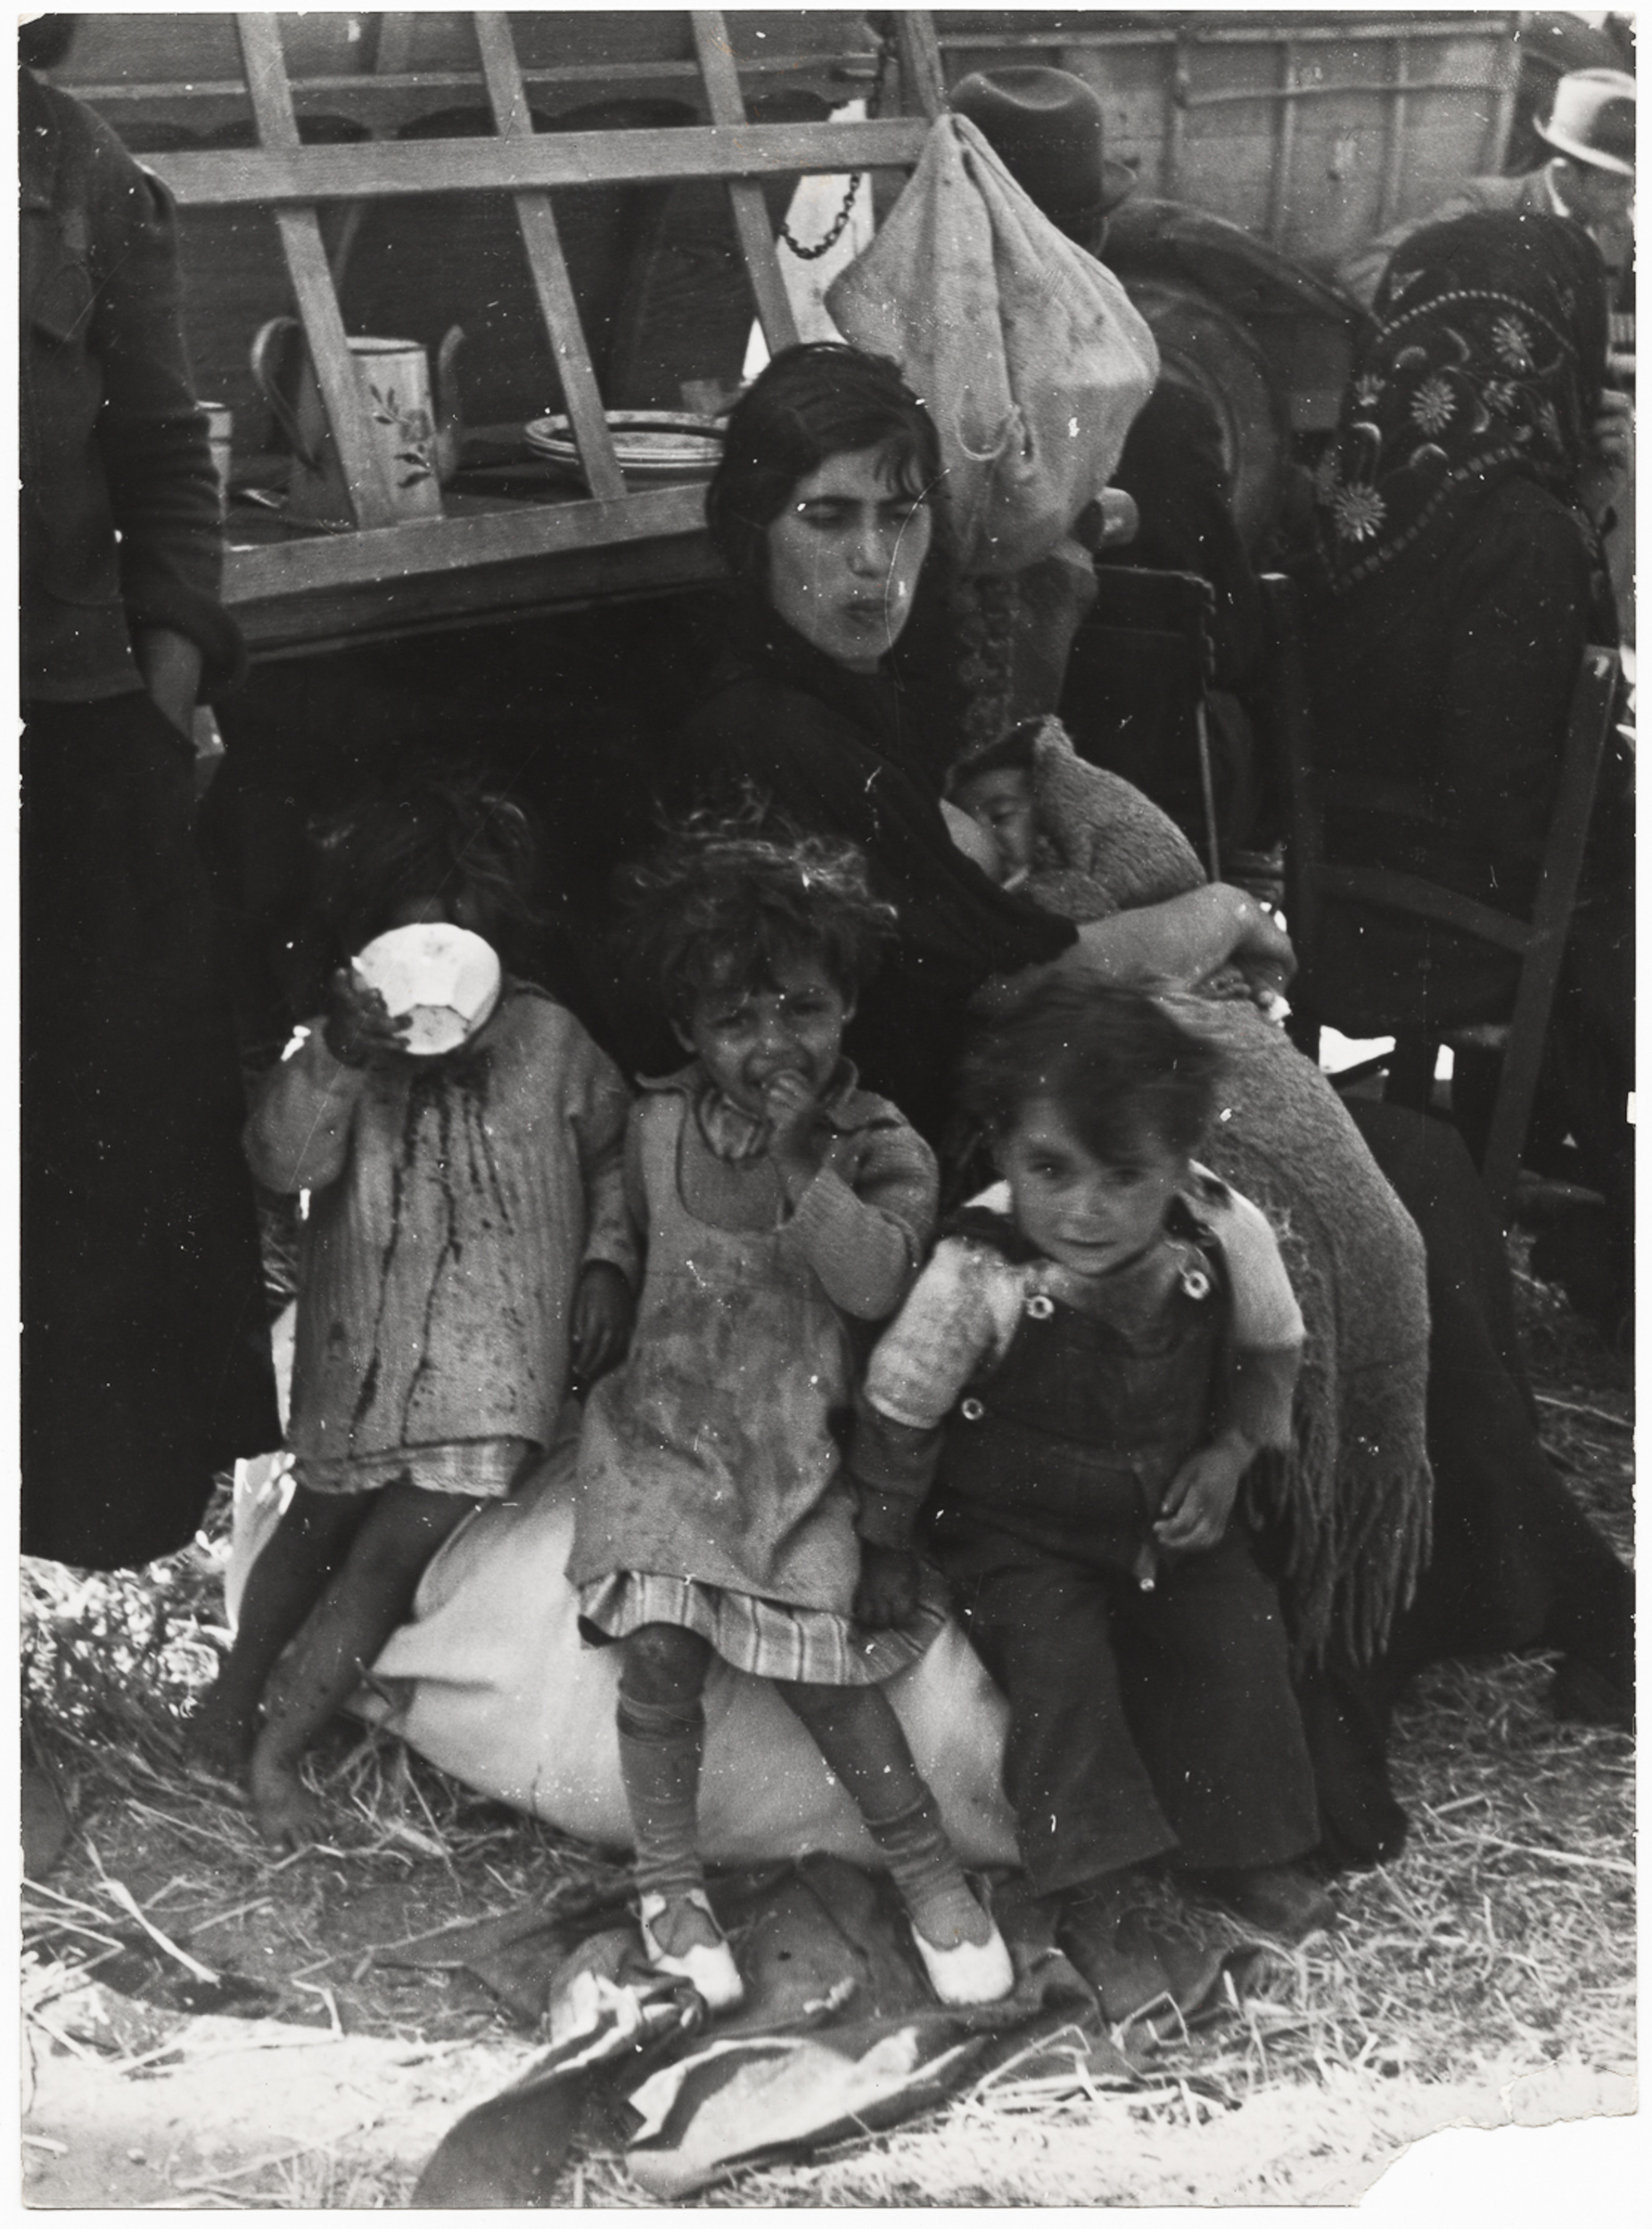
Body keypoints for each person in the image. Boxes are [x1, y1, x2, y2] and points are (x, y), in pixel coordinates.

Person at [568, 818, 1014, 2011]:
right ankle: (669, 1882)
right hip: (661, 1440)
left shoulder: (879, 1149)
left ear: (847, 1009)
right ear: (683, 1034)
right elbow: (619, 1209)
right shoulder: (659, 1123)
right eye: (732, 1021)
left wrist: (800, 1166)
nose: (772, 1043)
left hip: (794, 1454)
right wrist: (608, 1270)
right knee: (658, 1654)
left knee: (830, 1675)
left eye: (800, 1009)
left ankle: (925, 1872)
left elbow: (874, 1282)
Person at [671, 339, 1295, 1147]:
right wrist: (1227, 910)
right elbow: (1022, 980)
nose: (872, 560)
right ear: (754, 531)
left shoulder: (846, 686)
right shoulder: (770, 730)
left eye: (900, 515)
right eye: (825, 517)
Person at [851, 983, 1331, 2019]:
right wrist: (884, 1544)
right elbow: (897, 1411)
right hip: (1011, 1527)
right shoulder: (974, 1267)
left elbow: (1269, 1353)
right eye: (1050, 1171)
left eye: (1127, 1177)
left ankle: (1242, 1845)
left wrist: (1230, 1453)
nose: (1085, 1210)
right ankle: (1095, 1883)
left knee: (1231, 1630)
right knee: (1058, 1663)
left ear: (1182, 1155)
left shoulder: (1220, 1228)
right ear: (999, 1148)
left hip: (1164, 1504)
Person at [188, 777, 637, 1847]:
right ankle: (229, 1696)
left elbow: (614, 1159)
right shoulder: (338, 1046)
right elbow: (277, 1159)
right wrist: (339, 1054)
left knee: (388, 1559)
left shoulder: (554, 1042)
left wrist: (605, 1264)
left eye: (464, 932)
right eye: (407, 935)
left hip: (498, 1363)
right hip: (361, 1348)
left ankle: (278, 1750)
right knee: (314, 1524)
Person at [20, 17, 280, 1577]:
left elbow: (162, 458)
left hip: (70, 744)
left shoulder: (73, 165)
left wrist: (159, 686)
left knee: (85, 1191)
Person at [1299, 210, 1633, 1337]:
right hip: (1446, 929)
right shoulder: (1526, 531)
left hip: (1330, 904)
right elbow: (1507, 804)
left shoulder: (1348, 494)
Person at [948, 66, 1270, 851]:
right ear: (1091, 243)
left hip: (954, 789)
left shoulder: (911, 390)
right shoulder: (1159, 408)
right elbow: (1233, 639)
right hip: (1127, 795)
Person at [1336, 68, 1635, 313]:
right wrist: (1458, 330)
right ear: (1564, 172)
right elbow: (1364, 269)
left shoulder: (1616, 226)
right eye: (1616, 184)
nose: (1630, 199)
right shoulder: (1490, 204)